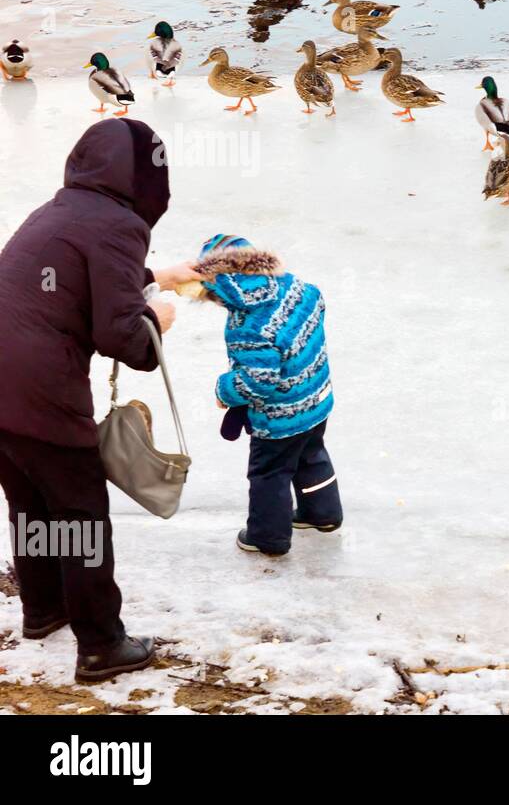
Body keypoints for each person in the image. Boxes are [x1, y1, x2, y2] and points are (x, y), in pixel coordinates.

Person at [0, 119, 199, 683]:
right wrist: (155, 320)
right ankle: (101, 646)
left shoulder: (60, 209)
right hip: (41, 392)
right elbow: (119, 334)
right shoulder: (118, 223)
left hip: (2, 389)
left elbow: (73, 278)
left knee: (31, 502)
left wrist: (158, 274)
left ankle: (43, 610)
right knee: (81, 514)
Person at [194, 234, 341, 556]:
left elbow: (259, 381)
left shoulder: (249, 324)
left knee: (270, 473)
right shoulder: (295, 286)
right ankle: (323, 514)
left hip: (280, 418)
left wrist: (225, 390)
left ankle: (267, 537)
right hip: (315, 397)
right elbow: (316, 303)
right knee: (311, 455)